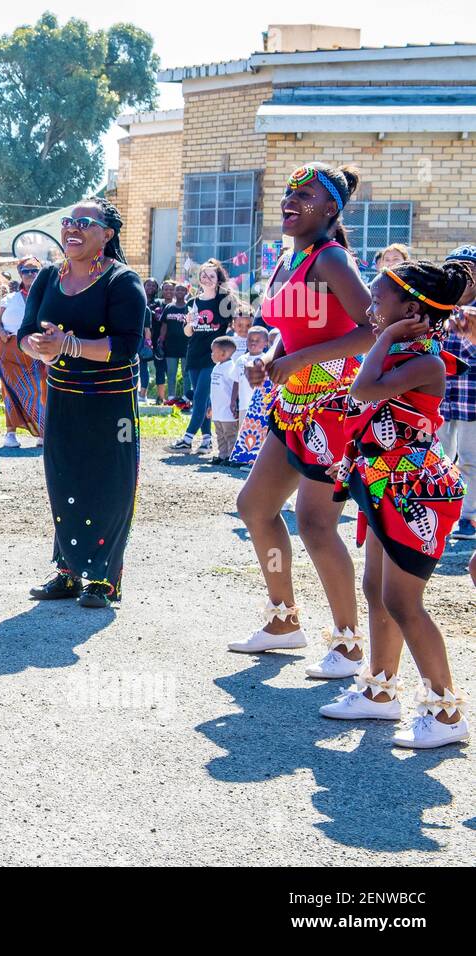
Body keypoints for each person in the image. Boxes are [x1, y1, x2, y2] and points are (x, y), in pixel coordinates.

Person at [231, 163, 374, 675]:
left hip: (336, 406)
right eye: (290, 194)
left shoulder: (332, 259)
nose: (292, 201)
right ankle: (283, 619)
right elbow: (292, 331)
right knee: (255, 506)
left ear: (331, 209)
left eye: (306, 195)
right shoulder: (290, 259)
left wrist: (300, 360)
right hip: (293, 402)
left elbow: (374, 329)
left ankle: (349, 643)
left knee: (316, 524)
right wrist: (268, 354)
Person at [321, 260, 469, 748]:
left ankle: (446, 713)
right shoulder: (404, 350)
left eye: (378, 301)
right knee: (376, 590)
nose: (369, 308)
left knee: (404, 602)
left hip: (415, 494)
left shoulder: (423, 361)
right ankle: (381, 691)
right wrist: (385, 338)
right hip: (385, 485)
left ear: (410, 310)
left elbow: (362, 393)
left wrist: (381, 339)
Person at [19, 199, 147, 609]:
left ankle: (103, 579)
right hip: (63, 394)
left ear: (107, 234)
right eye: (68, 221)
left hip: (112, 404)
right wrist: (39, 348)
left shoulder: (122, 282)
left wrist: (68, 344)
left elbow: (127, 347)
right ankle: (69, 572)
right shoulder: (46, 278)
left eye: (84, 223)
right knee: (65, 478)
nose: (72, 228)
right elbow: (25, 332)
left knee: (109, 483)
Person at [171, 259, 237, 453]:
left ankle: (187, 438)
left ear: (218, 279)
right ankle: (207, 440)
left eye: (211, 276)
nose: (206, 279)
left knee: (200, 397)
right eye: (203, 275)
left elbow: (233, 326)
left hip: (215, 356)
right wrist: (190, 323)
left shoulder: (224, 301)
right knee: (204, 400)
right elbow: (188, 333)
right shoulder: (193, 302)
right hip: (194, 354)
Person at [437, 245, 476, 540]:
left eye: (471, 271)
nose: (464, 276)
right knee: (438, 457)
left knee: (469, 459)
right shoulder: (436, 308)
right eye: (457, 269)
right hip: (437, 398)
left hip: (471, 399)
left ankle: (469, 516)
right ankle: (439, 509)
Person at [0, 256, 46, 448]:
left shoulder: (46, 298)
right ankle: (10, 433)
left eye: (35, 271)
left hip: (37, 350)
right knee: (9, 391)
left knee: (39, 390)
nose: (31, 275)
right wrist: (0, 332)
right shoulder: (9, 299)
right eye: (26, 271)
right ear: (20, 274)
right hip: (9, 350)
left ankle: (42, 432)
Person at [230, 327, 274, 467]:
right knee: (243, 431)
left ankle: (256, 462)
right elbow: (236, 381)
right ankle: (243, 457)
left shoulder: (268, 361)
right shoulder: (241, 359)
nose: (253, 343)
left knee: (261, 434)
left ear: (266, 343)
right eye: (250, 340)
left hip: (261, 408)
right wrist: (233, 400)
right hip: (244, 404)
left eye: (257, 340)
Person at [207, 336, 241, 465]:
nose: (211, 354)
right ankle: (222, 455)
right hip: (217, 409)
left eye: (213, 351)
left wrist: (235, 404)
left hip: (228, 411)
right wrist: (211, 406)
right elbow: (214, 390)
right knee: (220, 434)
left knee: (230, 435)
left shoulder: (231, 367)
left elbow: (235, 387)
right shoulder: (217, 367)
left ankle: (231, 456)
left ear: (223, 353)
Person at [157, 281, 190, 405]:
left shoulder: (190, 307)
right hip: (170, 346)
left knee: (187, 373)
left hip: (186, 346)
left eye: (182, 290)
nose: (180, 292)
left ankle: (187, 398)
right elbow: (164, 325)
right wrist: (161, 340)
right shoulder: (169, 307)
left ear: (186, 292)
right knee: (171, 372)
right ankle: (171, 396)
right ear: (175, 292)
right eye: (178, 290)